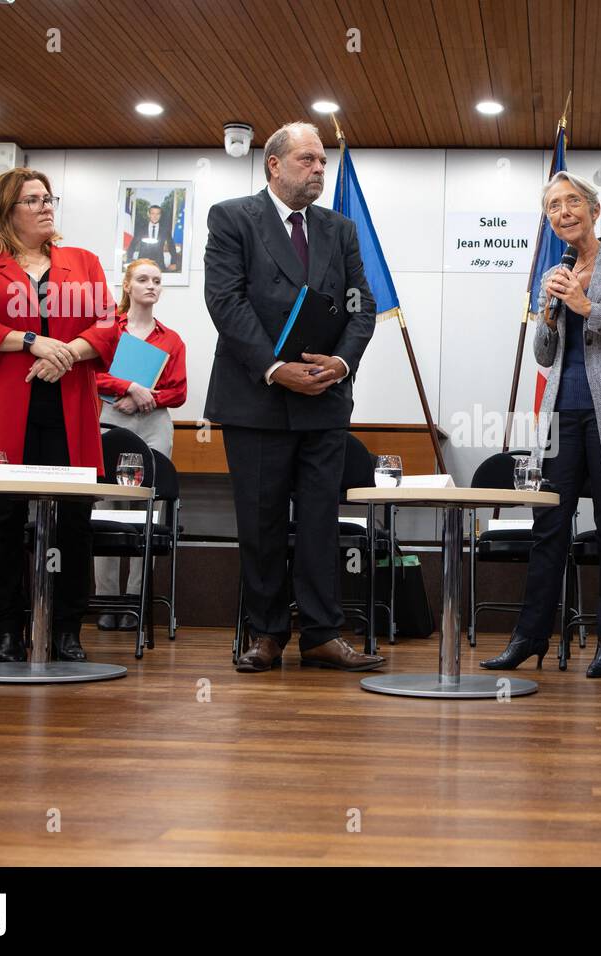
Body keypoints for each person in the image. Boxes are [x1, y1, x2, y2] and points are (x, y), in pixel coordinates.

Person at [204, 120, 382, 674]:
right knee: (260, 524)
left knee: (319, 523)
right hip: (255, 400)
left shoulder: (341, 230)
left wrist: (343, 362)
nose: (319, 170)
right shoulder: (233, 217)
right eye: (308, 160)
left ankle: (323, 635)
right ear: (273, 165)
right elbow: (225, 302)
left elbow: (362, 307)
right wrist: (275, 368)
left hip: (325, 398)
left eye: (323, 162)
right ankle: (266, 634)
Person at [481, 170, 601, 678]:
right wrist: (552, 317)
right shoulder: (553, 272)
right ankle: (529, 637)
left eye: (572, 201)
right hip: (562, 416)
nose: (563, 212)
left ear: (594, 209)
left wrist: (587, 307)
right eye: (554, 206)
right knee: (549, 530)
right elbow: (544, 356)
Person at [0, 167, 120, 664]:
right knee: (0, 522)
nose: (47, 207)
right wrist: (29, 340)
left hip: (67, 413)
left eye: (49, 198)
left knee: (72, 523)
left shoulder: (81, 262)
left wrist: (68, 352)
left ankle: (67, 629)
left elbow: (108, 324)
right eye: (34, 200)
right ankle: (6, 628)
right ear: (6, 211)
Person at [93, 257, 187, 630]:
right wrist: (126, 387)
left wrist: (145, 397)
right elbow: (91, 373)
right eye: (143, 279)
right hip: (108, 420)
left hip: (152, 425)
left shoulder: (172, 339)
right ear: (128, 286)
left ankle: (135, 599)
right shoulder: (107, 329)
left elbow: (178, 390)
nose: (151, 285)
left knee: (147, 509)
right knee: (105, 508)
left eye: (157, 280)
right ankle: (106, 599)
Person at [126, 204, 179, 271]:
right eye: (153, 213)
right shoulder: (141, 229)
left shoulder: (165, 230)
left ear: (160, 215)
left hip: (159, 265)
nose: (155, 216)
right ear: (149, 214)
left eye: (157, 214)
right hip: (142, 265)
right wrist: (129, 260)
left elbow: (171, 246)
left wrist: (173, 263)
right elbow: (132, 245)